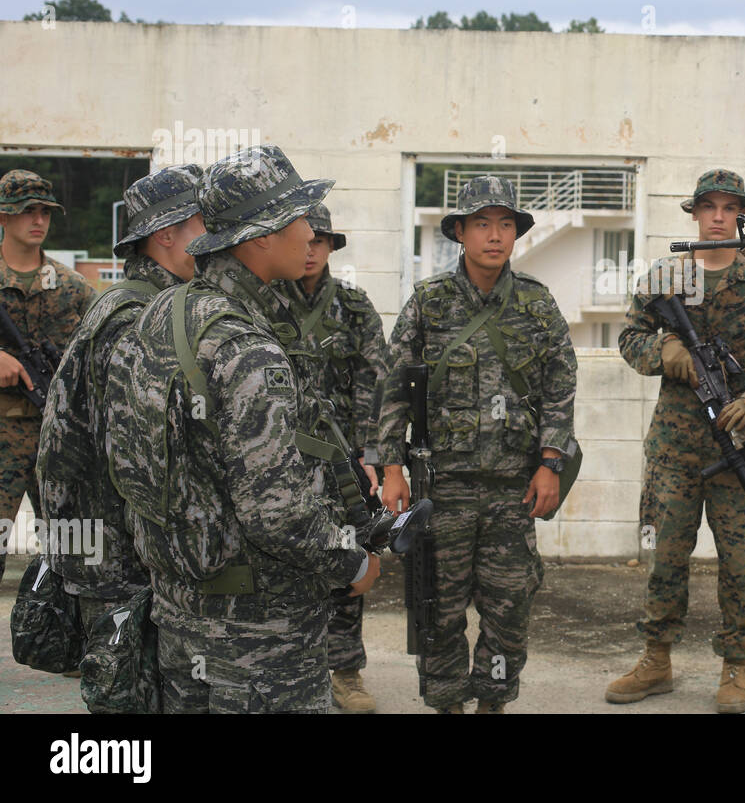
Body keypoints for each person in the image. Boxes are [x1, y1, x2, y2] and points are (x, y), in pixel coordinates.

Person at [104, 145, 379, 713]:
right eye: (299, 217)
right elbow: (276, 512)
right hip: (260, 635)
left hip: (181, 612)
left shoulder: (159, 315)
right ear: (260, 237)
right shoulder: (247, 348)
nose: (312, 232)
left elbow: (126, 461)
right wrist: (351, 562)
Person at [606, 169, 745, 714]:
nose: (718, 216)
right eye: (708, 206)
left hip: (740, 442)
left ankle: (737, 666)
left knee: (740, 562)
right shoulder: (666, 275)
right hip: (674, 447)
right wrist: (664, 356)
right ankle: (656, 659)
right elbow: (629, 337)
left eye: (729, 207)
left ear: (741, 215)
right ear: (693, 213)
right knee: (665, 557)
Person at [377, 175, 577, 714]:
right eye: (482, 224)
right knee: (437, 607)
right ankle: (446, 705)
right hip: (443, 488)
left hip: (514, 488)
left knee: (510, 607)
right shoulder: (429, 303)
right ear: (460, 232)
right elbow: (394, 386)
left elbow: (560, 384)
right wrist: (390, 466)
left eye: (505, 224)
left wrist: (551, 463)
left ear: (515, 233)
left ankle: (493, 703)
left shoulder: (537, 304)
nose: (495, 235)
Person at [37, 165, 205, 643]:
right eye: (203, 222)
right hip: (123, 557)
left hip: (121, 549)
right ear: (168, 234)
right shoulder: (137, 315)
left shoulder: (155, 303)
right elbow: (134, 459)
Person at [282, 202, 387, 713]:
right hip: (276, 460)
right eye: (304, 240)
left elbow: (376, 384)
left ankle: (345, 672)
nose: (310, 251)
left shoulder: (355, 307)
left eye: (319, 242)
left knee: (348, 558)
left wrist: (373, 455)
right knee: (284, 561)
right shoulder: (262, 303)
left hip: (343, 464)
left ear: (329, 248)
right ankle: (292, 669)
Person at [0, 169, 94, 584]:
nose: (38, 220)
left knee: (72, 550)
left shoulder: (72, 287)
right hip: (2, 433)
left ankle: (66, 642)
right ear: (3, 217)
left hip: (56, 435)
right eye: (26, 212)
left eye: (45, 212)